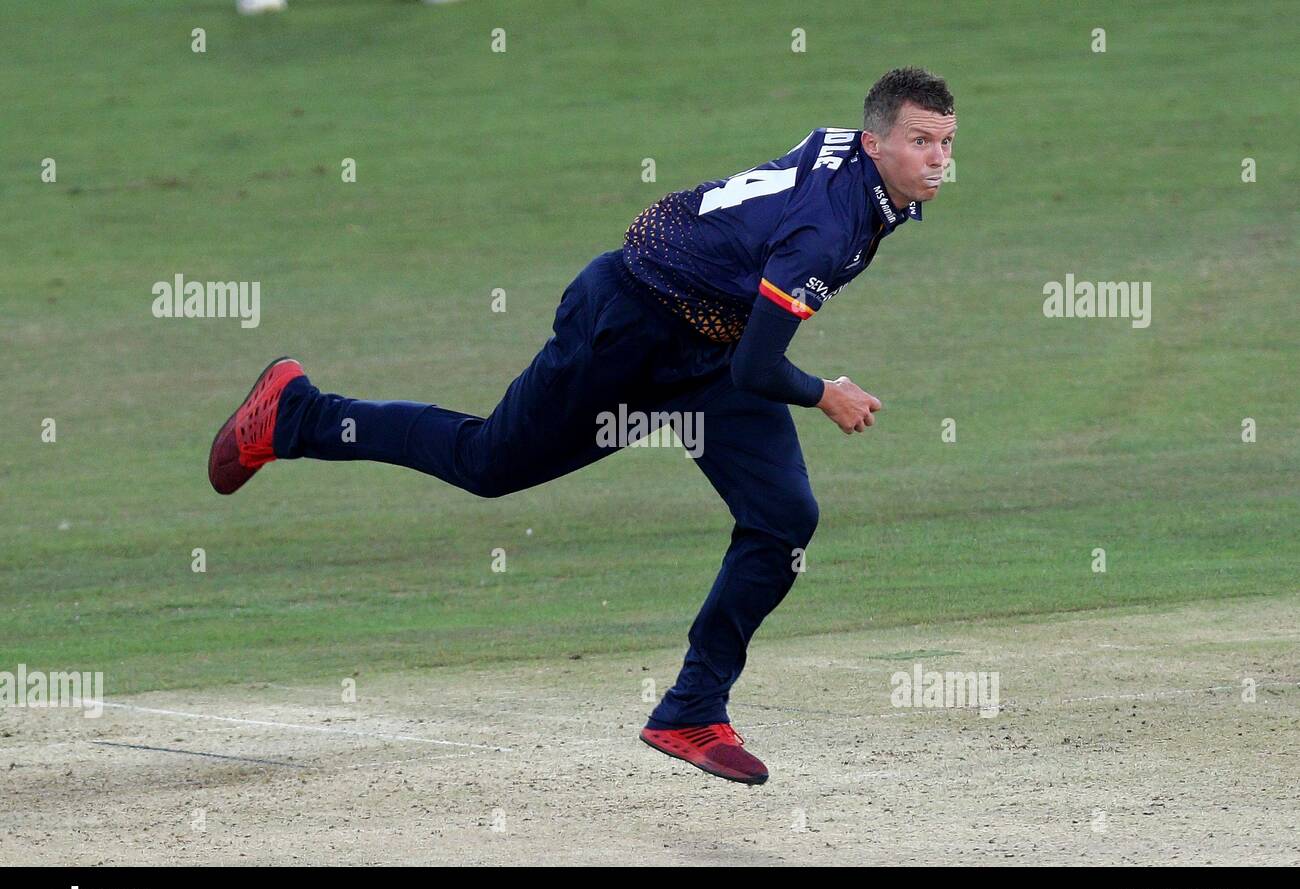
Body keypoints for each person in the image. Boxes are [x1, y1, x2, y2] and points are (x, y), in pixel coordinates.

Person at [208, 66, 957, 786]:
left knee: (784, 516)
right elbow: (760, 370)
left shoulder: (856, 167)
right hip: (629, 331)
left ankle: (692, 711)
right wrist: (826, 392)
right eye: (921, 141)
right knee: (488, 464)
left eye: (948, 142)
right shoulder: (831, 227)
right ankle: (296, 413)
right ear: (872, 143)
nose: (938, 159)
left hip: (708, 342)